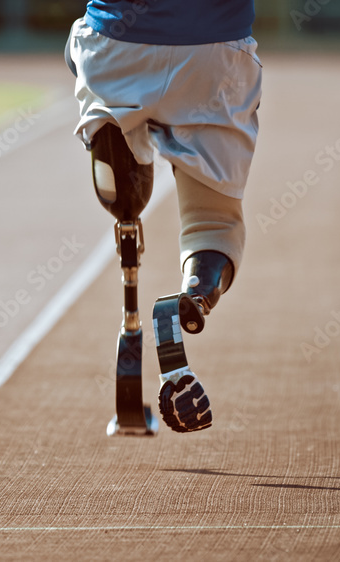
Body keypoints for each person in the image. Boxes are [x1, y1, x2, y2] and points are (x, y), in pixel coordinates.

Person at [65, 0, 261, 433]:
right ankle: (195, 292)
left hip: (115, 46)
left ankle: (117, 156)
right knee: (213, 222)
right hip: (214, 54)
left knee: (78, 52)